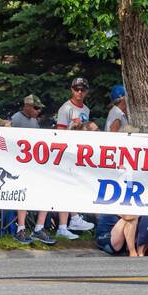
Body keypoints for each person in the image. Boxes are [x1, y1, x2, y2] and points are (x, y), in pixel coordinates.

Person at [6, 95, 56, 245]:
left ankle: (39, 228)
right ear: (26, 106)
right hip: (18, 166)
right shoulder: (16, 119)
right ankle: (20, 228)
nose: (38, 111)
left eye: (39, 108)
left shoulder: (34, 121)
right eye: (35, 108)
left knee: (48, 189)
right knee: (24, 191)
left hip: (33, 165)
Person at [50, 81, 95, 239]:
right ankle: (67, 223)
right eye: (77, 89)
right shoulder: (66, 108)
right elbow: (60, 132)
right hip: (67, 152)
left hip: (79, 152)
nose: (79, 92)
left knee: (72, 186)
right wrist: (73, 127)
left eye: (83, 90)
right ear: (72, 90)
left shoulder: (86, 109)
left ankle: (70, 221)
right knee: (66, 186)